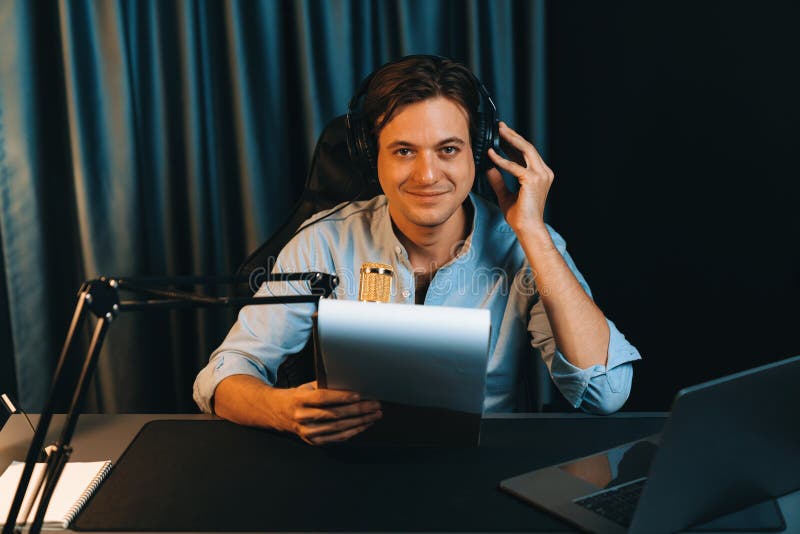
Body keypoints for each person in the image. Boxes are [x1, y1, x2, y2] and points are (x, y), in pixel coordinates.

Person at [194, 56, 641, 445]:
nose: (427, 175)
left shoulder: (524, 245)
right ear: (374, 157)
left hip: (482, 476)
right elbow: (223, 375)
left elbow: (607, 393)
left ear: (477, 154)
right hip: (353, 472)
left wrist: (534, 234)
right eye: (404, 150)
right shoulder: (323, 242)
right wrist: (282, 410)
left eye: (448, 149)